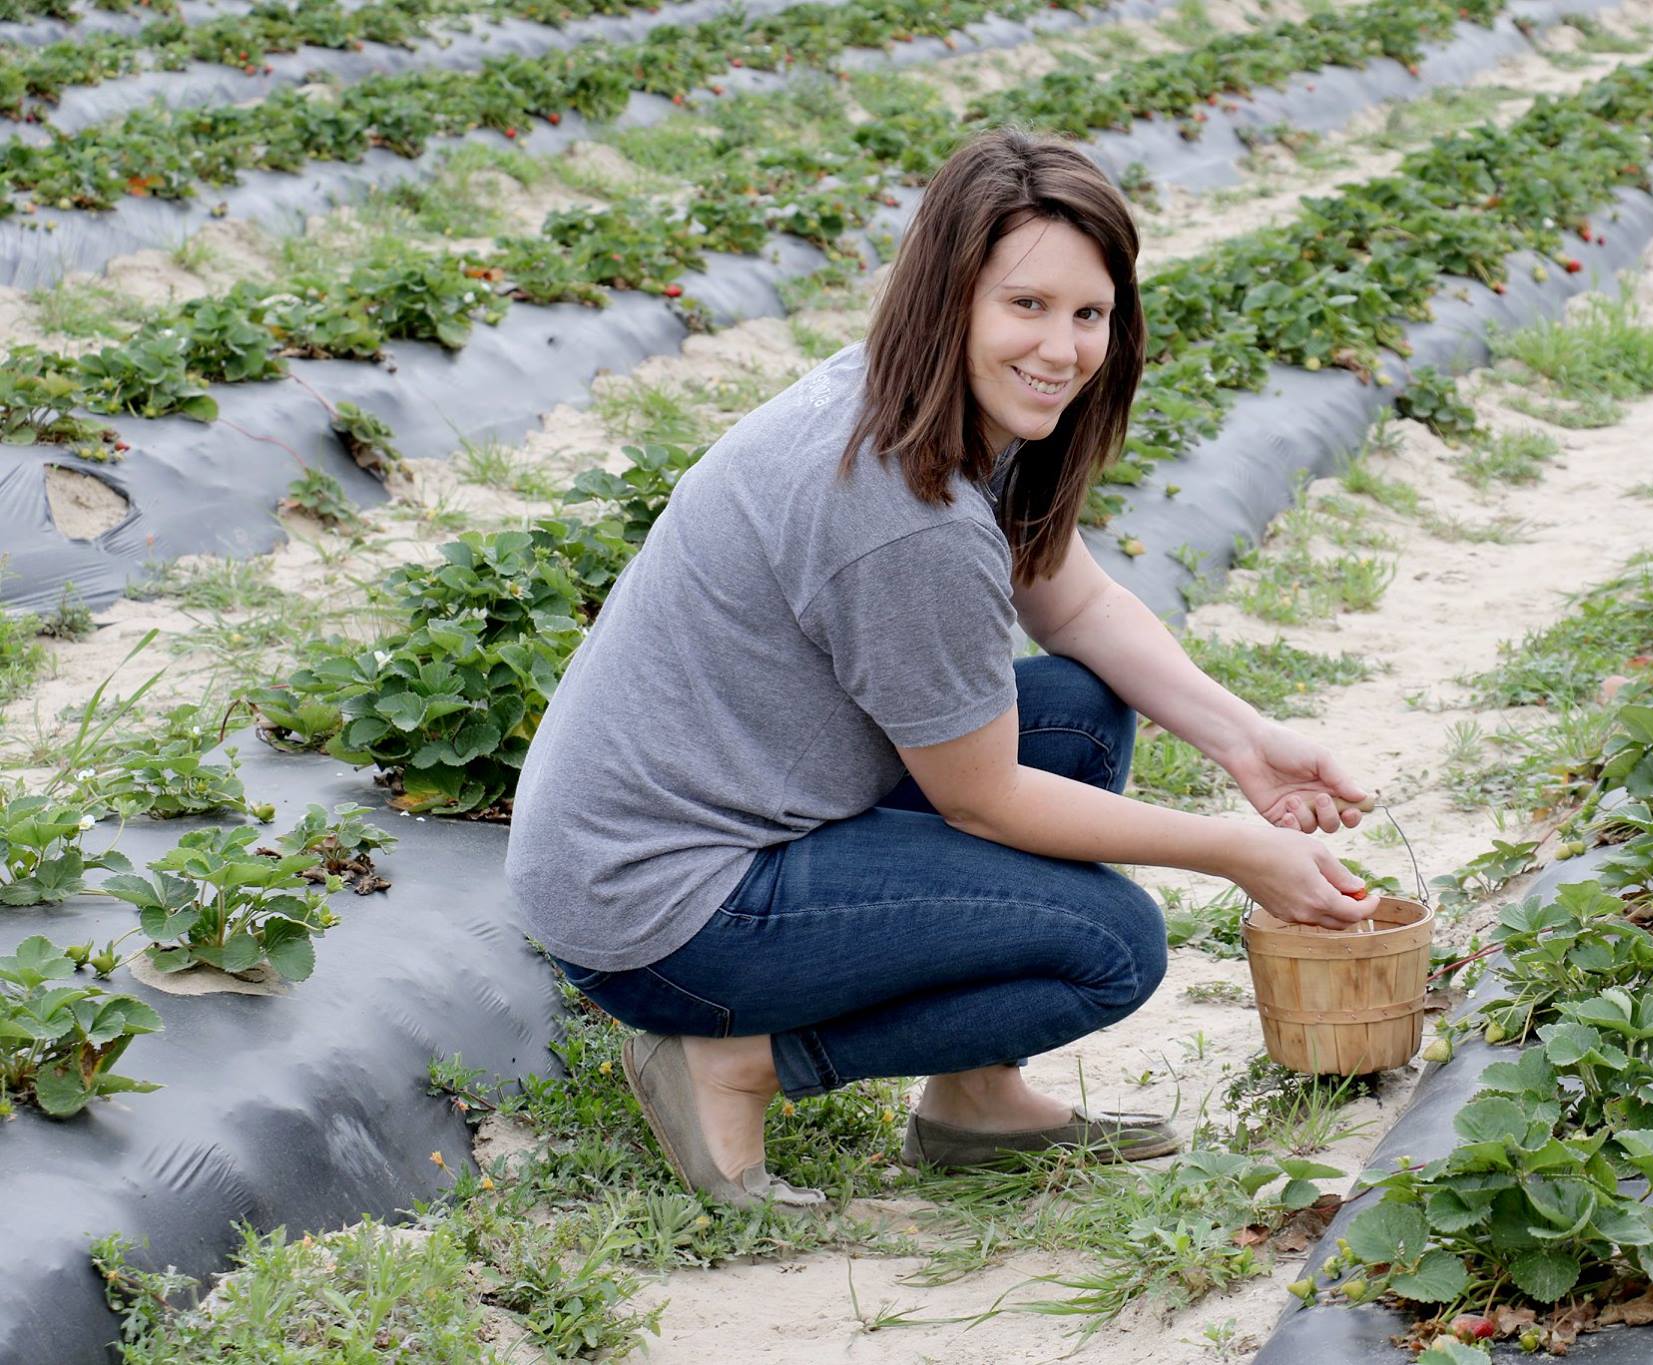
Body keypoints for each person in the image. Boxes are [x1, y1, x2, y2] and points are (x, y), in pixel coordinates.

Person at [505, 128, 1380, 1209]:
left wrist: (1249, 745)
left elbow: (1074, 598)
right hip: (663, 906)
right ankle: (730, 1063)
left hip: (712, 823)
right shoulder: (896, 512)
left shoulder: (919, 398)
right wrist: (1239, 853)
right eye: (1025, 306)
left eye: (1087, 313)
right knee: (1106, 946)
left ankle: (973, 1100)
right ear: (948, 297)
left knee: (1071, 712)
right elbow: (983, 801)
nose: (1060, 349)